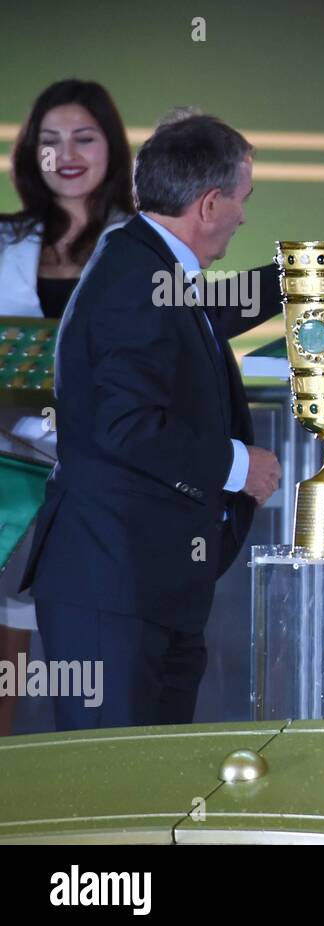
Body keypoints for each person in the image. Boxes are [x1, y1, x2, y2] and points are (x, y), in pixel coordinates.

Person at [19, 111, 285, 730]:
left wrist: (309, 275)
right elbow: (127, 426)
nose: (244, 216)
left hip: (144, 586)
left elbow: (201, 317)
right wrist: (240, 466)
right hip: (113, 592)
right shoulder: (134, 279)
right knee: (113, 801)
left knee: (152, 794)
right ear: (211, 203)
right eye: (243, 200)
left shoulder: (146, 266)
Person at [0, 79, 134, 735]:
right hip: (7, 481)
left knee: (93, 691)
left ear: (111, 145)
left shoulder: (140, 245)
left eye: (83, 137)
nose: (66, 154)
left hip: (104, 486)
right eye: (49, 141)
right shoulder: (3, 240)